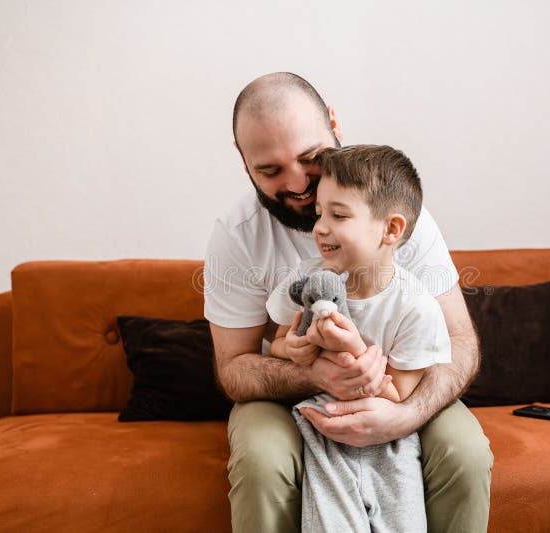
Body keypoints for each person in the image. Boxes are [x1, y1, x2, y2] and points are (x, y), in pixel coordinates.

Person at [204, 72, 493, 533]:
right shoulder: (238, 235)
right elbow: (234, 369)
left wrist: (403, 415)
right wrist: (311, 372)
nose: (300, 185)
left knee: (466, 452)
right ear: (243, 162)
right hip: (286, 395)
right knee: (262, 462)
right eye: (270, 170)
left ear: (333, 124)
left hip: (401, 384)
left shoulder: (388, 215)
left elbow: (459, 341)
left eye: (309, 158)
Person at [266, 144, 451, 532]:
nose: (319, 228)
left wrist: (351, 349)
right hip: (323, 434)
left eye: (338, 215)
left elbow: (399, 395)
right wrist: (294, 350)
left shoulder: (415, 307)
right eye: (319, 213)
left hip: (389, 443)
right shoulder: (307, 279)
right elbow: (281, 341)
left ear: (391, 229)